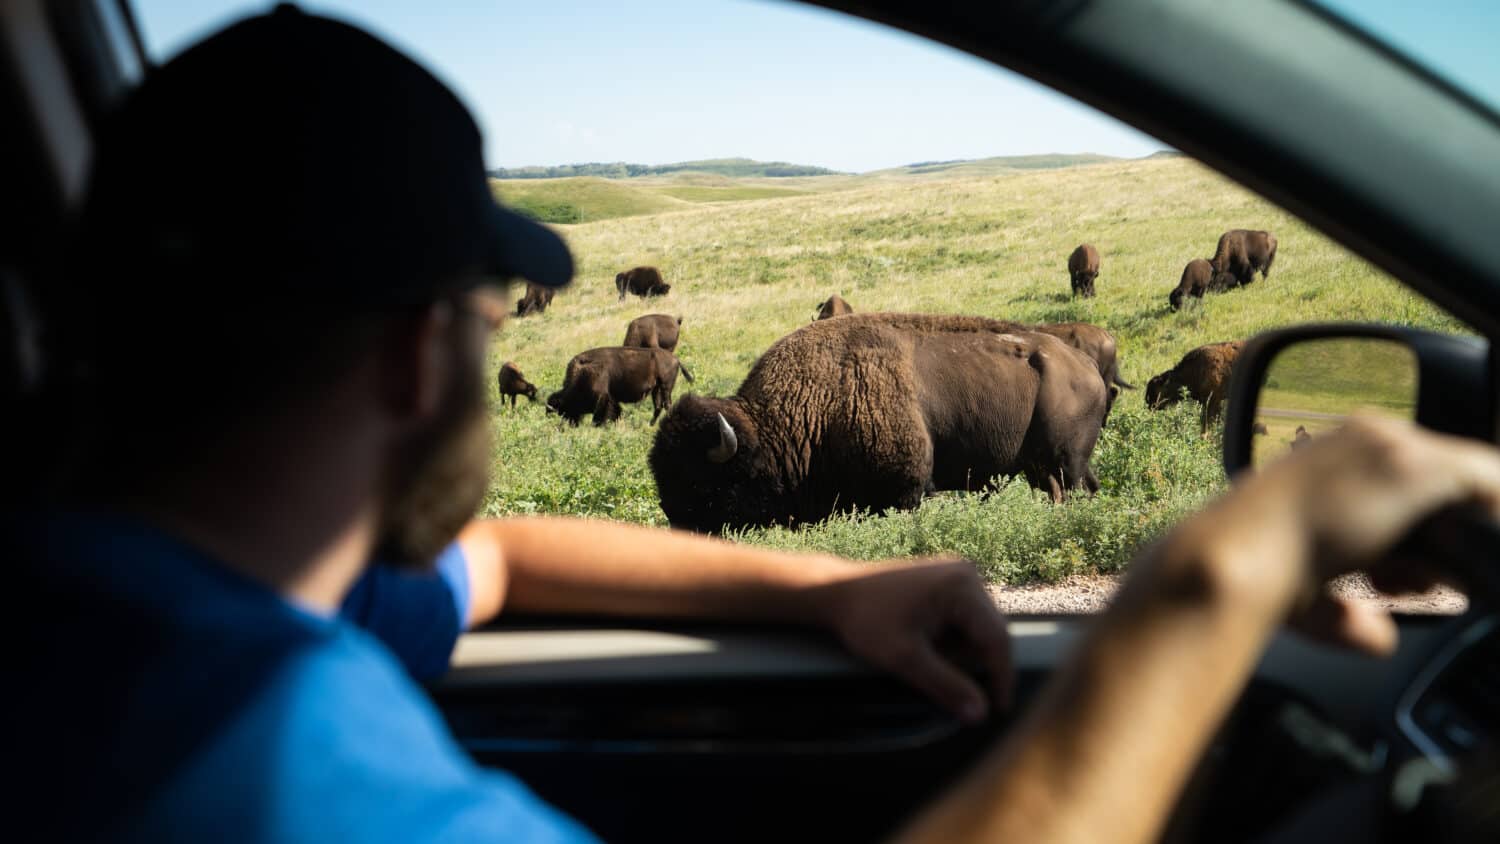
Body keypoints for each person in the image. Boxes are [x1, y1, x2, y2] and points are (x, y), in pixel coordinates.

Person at [13, 7, 1496, 844]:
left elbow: (503, 560)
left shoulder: (144, 601)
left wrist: (843, 588)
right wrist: (1206, 586)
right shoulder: (269, 773)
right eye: (489, 323)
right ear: (419, 355)